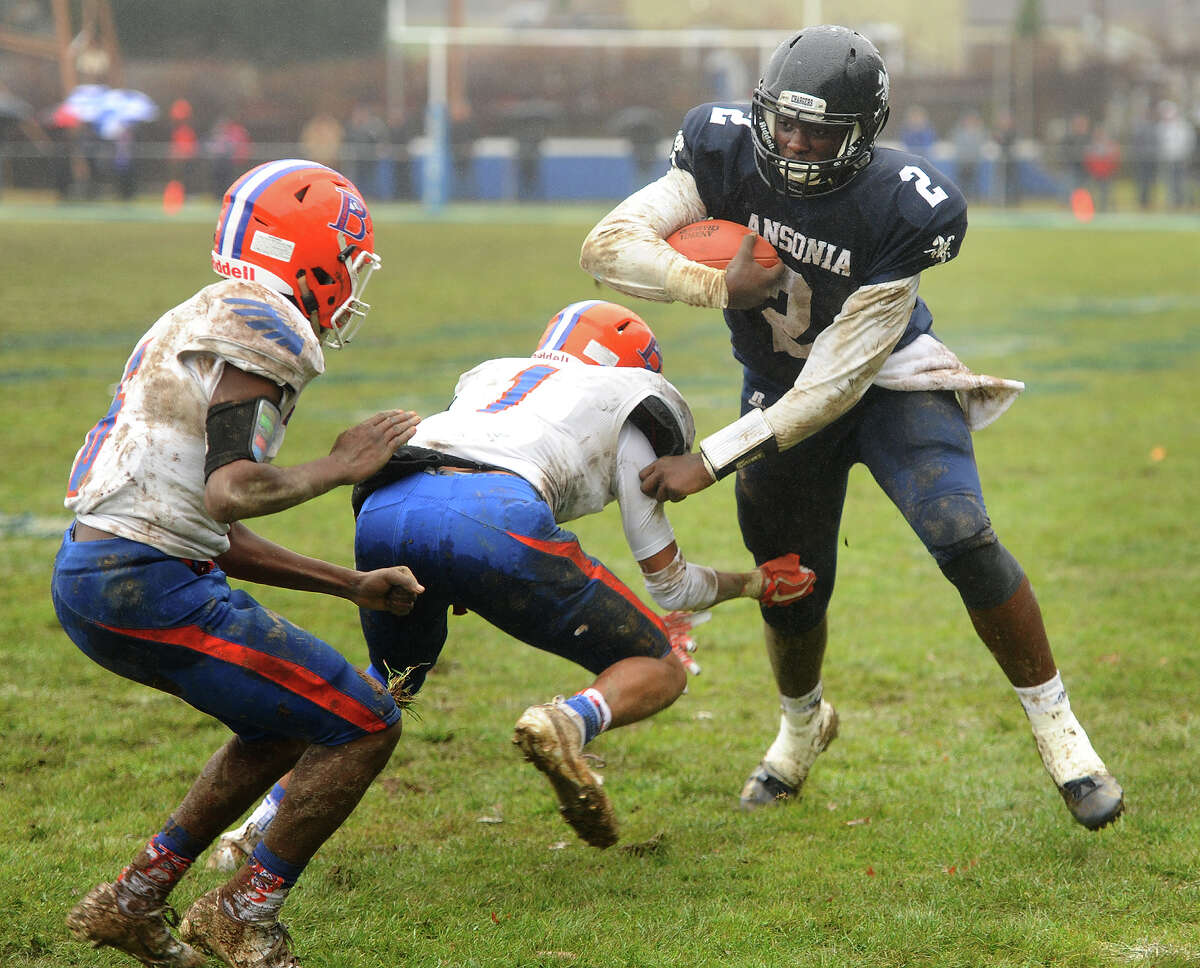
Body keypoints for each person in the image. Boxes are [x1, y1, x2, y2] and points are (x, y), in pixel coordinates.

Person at [579, 25, 1124, 832]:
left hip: (887, 378)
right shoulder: (722, 148)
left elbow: (837, 377)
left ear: (862, 134)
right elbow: (607, 246)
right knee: (791, 583)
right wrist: (713, 284)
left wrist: (715, 456)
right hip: (775, 383)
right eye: (784, 122)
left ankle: (1062, 734)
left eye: (819, 130)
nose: (794, 144)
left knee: (962, 532)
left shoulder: (903, 202)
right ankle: (800, 733)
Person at [203, 299, 817, 858]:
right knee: (660, 666)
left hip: (385, 508)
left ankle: (251, 831)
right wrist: (756, 583)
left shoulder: (493, 378)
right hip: (495, 517)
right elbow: (671, 586)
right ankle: (568, 722)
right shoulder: (625, 397)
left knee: (388, 682)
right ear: (636, 365)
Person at [53, 159, 424, 968]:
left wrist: (350, 583)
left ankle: (132, 900)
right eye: (348, 260)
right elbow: (232, 493)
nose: (351, 284)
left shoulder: (204, 311)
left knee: (280, 724)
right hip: (145, 583)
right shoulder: (268, 325)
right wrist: (341, 466)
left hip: (100, 572)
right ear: (313, 253)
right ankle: (243, 913)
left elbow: (203, 523)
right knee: (366, 721)